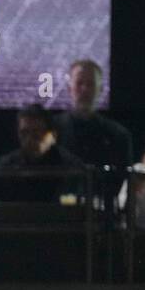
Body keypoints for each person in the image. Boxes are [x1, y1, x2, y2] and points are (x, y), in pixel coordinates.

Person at [54, 59, 133, 197]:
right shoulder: (52, 131)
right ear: (69, 88)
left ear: (100, 89)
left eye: (90, 84)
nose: (84, 89)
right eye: (79, 83)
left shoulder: (118, 136)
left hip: (102, 214)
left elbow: (121, 180)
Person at [0, 104, 85, 203]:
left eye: (37, 133)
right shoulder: (5, 168)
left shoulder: (73, 168)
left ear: (53, 136)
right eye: (24, 133)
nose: (29, 139)